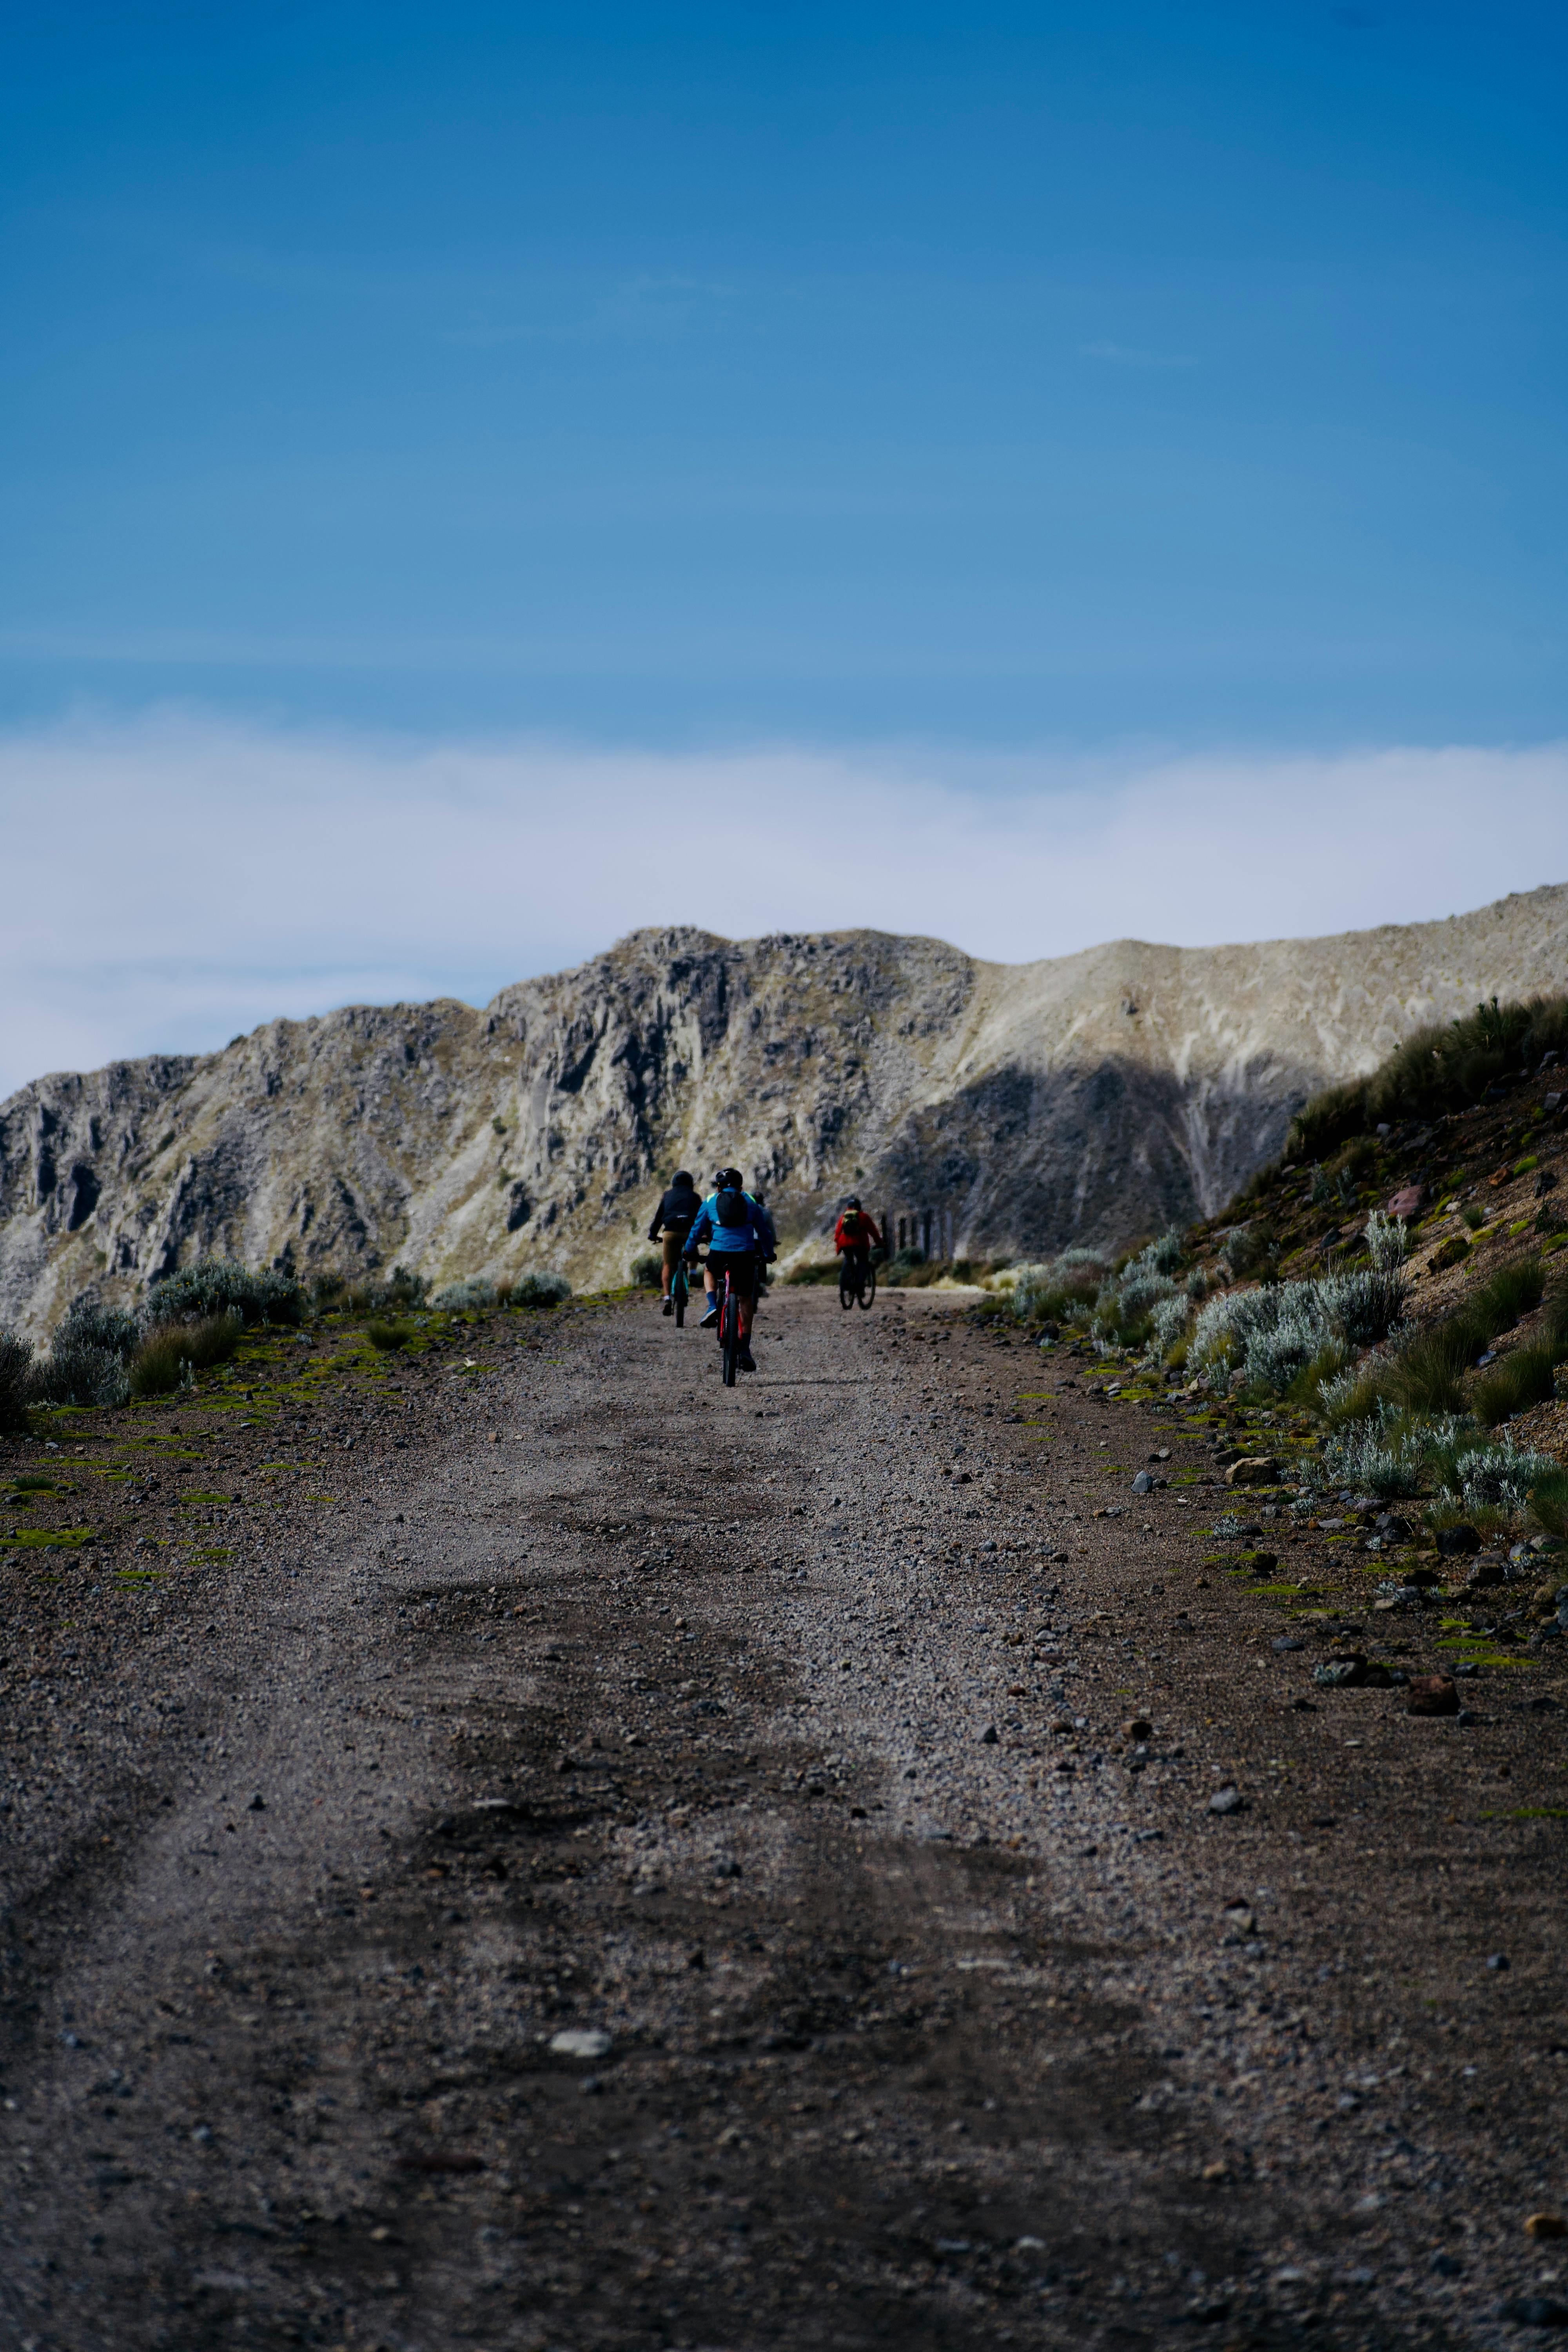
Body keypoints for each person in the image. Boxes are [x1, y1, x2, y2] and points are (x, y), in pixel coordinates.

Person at [684, 1166, 774, 1368]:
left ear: (719, 1188)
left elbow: (697, 1230)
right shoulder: (751, 1202)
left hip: (719, 1252)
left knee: (709, 1270)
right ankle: (745, 1348)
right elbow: (764, 1232)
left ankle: (712, 1306)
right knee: (746, 1299)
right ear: (741, 1187)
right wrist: (769, 1254)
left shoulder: (709, 1201)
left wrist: (689, 1250)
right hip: (744, 1255)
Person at [646, 1170, 702, 1314]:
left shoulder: (667, 1196)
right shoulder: (695, 1197)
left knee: (667, 1265)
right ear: (691, 1184)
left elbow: (659, 1218)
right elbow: (702, 1218)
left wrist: (653, 1234)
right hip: (690, 1233)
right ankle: (694, 1274)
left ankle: (667, 1299)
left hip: (670, 1233)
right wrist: (705, 1235)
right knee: (693, 1248)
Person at [833, 1196, 882, 1295]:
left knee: (848, 1260)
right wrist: (880, 1243)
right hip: (859, 1244)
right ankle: (859, 1287)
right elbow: (874, 1232)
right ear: (859, 1207)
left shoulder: (844, 1217)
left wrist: (839, 1243)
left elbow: (837, 1234)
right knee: (863, 1262)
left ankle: (846, 1284)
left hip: (844, 1244)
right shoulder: (864, 1217)